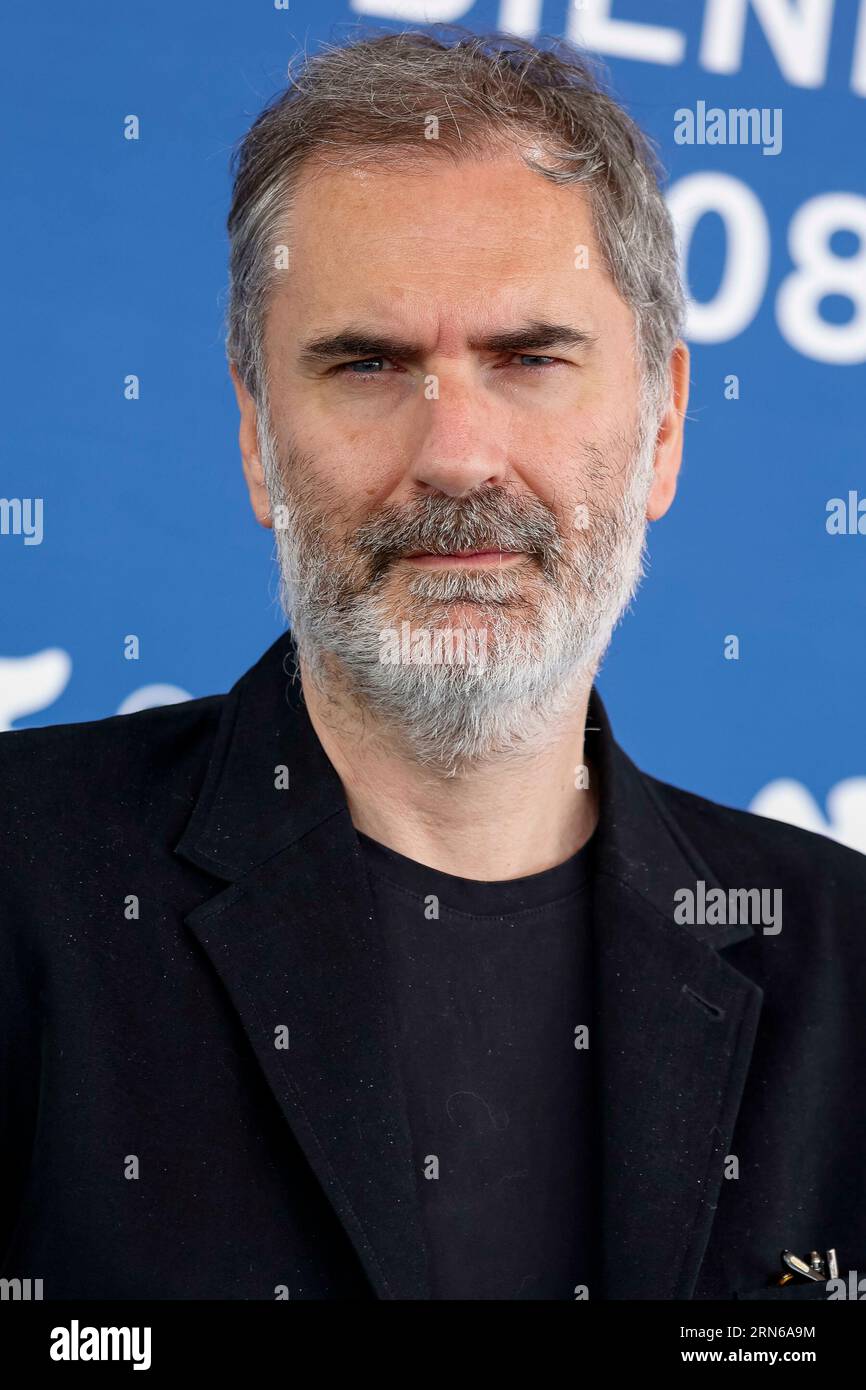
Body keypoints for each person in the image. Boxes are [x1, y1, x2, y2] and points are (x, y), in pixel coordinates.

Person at [2, 29, 865, 1302]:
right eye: (367, 364)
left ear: (664, 429)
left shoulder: (841, 962)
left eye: (528, 359)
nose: (455, 454)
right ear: (253, 438)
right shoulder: (22, 881)